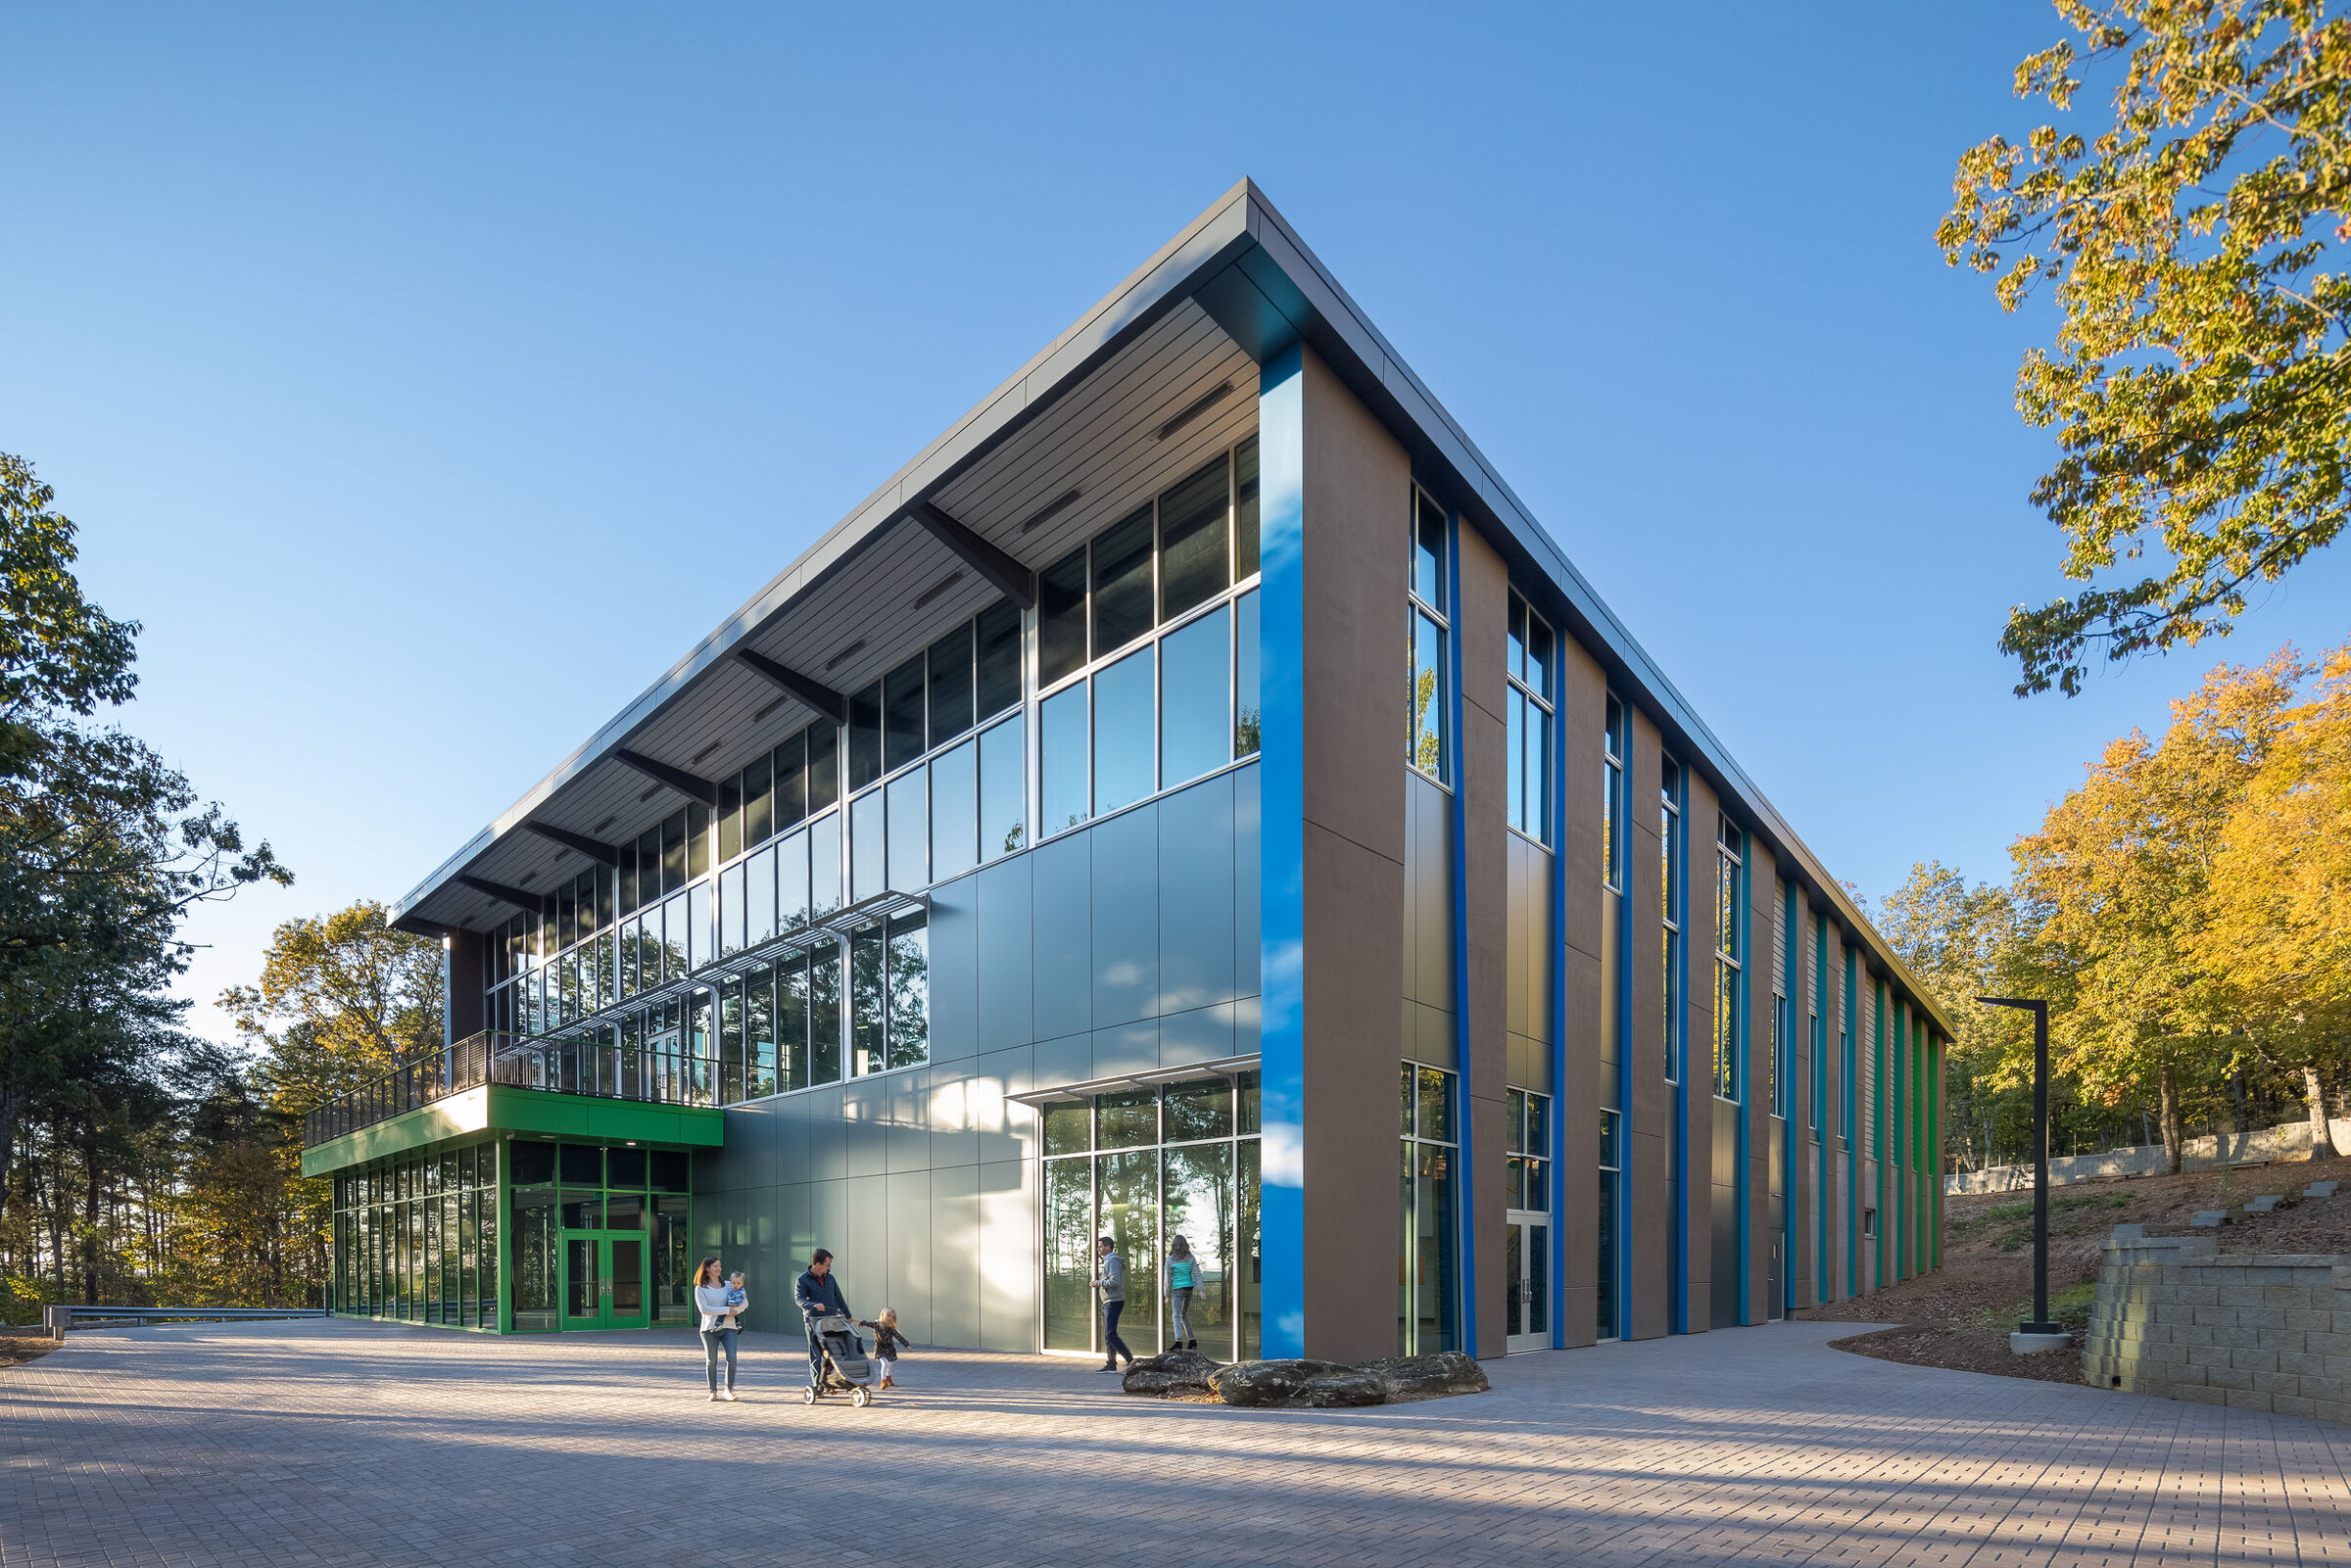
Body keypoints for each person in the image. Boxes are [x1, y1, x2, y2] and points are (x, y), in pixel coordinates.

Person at [794, 1249, 852, 1390]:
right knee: (816, 1355)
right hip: (813, 1321)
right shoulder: (802, 1280)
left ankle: (828, 1379)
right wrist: (813, 1305)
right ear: (818, 1264)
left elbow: (838, 1297)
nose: (830, 1268)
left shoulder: (830, 1278)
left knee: (837, 1351)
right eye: (828, 1265)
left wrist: (848, 1315)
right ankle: (817, 1385)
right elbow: (799, 1299)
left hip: (832, 1321)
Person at [694, 1257, 740, 1402]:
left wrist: (738, 1309)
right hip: (709, 1329)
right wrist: (727, 1310)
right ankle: (713, 1391)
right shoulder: (701, 1288)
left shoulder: (728, 1285)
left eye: (719, 1266)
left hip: (729, 1327)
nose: (719, 1269)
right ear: (707, 1269)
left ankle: (729, 1390)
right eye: (715, 1266)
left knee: (732, 1358)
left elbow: (743, 1300)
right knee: (712, 1361)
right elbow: (705, 1309)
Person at [1092, 1235, 1132, 1372]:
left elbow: (1115, 1281)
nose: (1098, 1249)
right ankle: (1111, 1364)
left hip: (1113, 1301)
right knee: (1109, 1334)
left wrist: (1099, 1283)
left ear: (1108, 1247)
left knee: (1111, 1334)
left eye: (1100, 1246)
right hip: (1109, 1301)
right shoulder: (1109, 1261)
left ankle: (1130, 1361)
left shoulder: (1112, 1261)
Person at [1165, 1234, 1200, 1352]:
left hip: (1178, 1290)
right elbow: (1196, 1274)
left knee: (1176, 1315)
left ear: (1174, 1246)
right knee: (1183, 1315)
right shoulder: (1191, 1258)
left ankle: (1178, 1342)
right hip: (1189, 1289)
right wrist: (1201, 1290)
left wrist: (1166, 1295)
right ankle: (1192, 1340)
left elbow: (1168, 1278)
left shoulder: (1170, 1259)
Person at [863, 1307, 909, 1390]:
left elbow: (898, 1336)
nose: (891, 1318)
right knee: (885, 1364)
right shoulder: (877, 1325)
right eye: (889, 1316)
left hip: (889, 1349)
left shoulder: (890, 1328)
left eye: (893, 1317)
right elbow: (869, 1324)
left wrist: (906, 1345)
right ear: (883, 1315)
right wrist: (863, 1323)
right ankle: (883, 1381)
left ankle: (888, 1378)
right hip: (880, 1349)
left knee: (890, 1365)